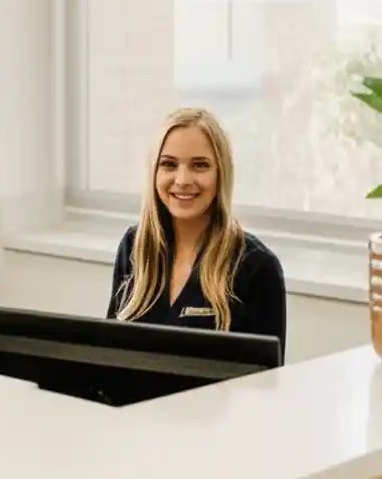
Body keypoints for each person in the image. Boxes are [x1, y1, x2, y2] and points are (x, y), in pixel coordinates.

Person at [107, 107, 287, 359]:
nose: (182, 179)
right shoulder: (134, 246)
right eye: (169, 164)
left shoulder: (256, 266)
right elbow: (107, 357)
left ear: (220, 173)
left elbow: (266, 385)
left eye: (200, 166)